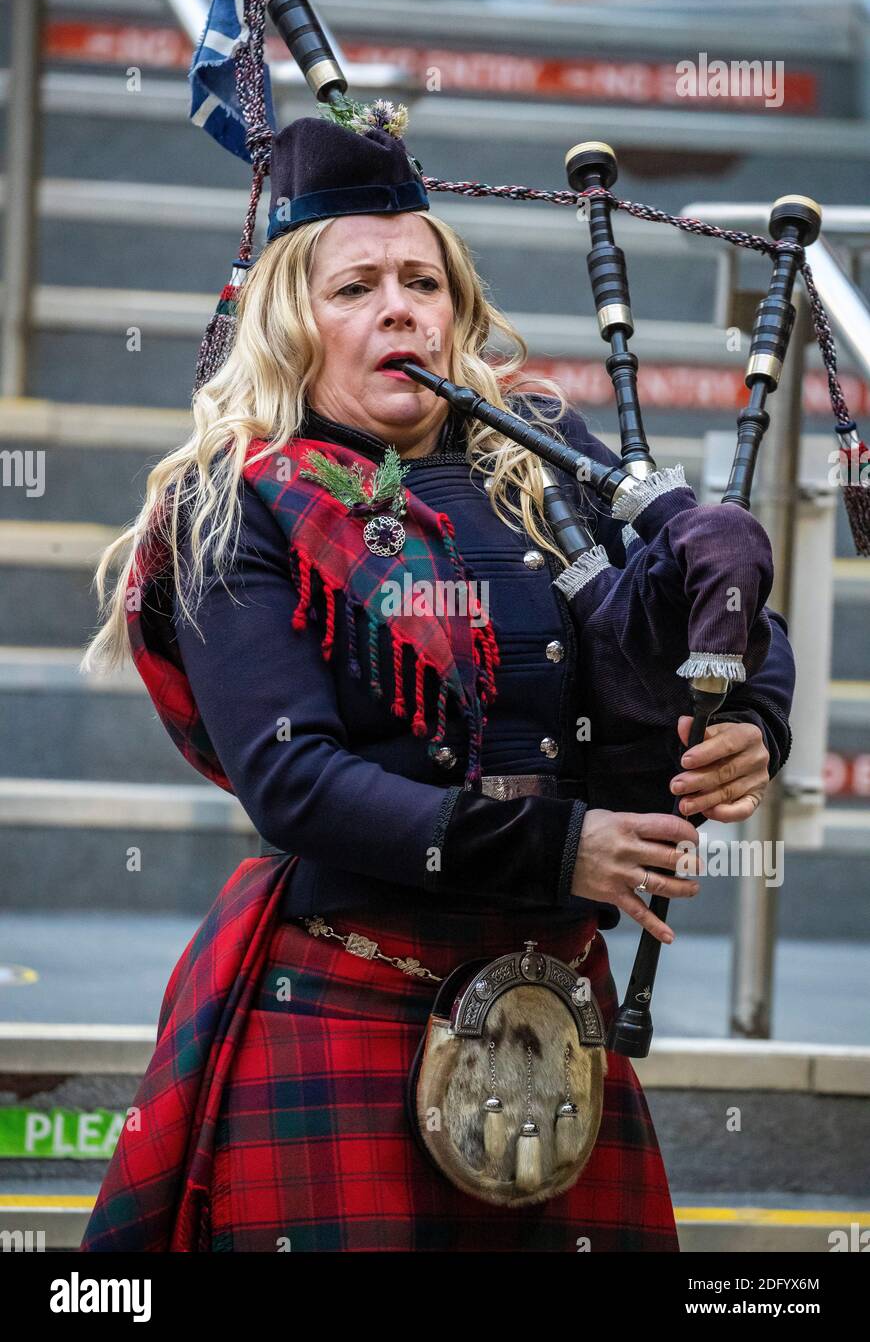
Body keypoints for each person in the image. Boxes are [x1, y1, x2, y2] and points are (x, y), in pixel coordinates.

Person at [79, 109, 794, 1252]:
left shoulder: (537, 458)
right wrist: (567, 849)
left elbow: (707, 600)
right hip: (342, 1004)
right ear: (291, 323)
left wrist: (755, 716)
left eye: (423, 279)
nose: (399, 305)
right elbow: (293, 780)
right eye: (355, 286)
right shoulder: (236, 501)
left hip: (556, 1008)